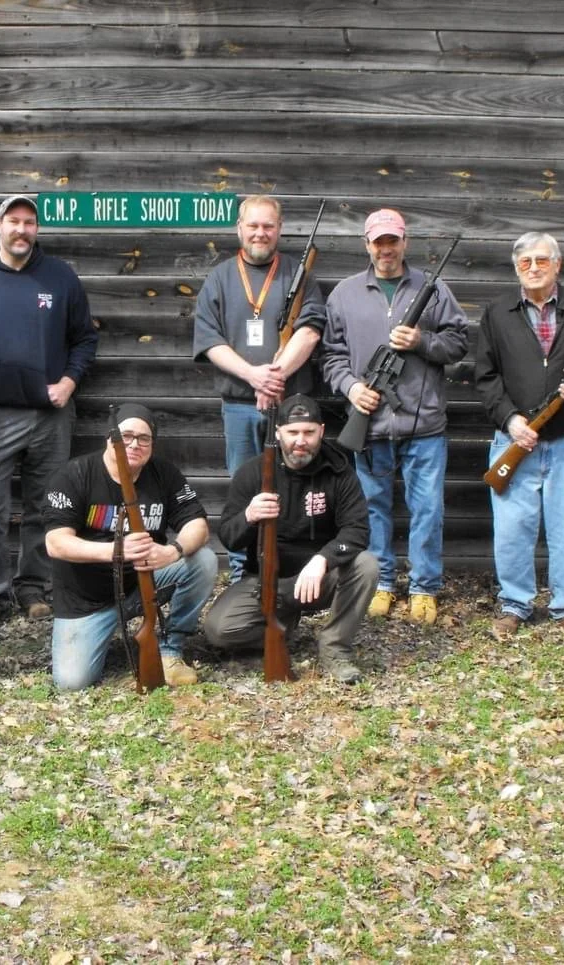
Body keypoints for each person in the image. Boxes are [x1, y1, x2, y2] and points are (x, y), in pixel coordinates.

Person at [0, 194, 98, 626]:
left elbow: (85, 340)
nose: (22, 229)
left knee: (47, 506)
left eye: (29, 222)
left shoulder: (60, 278)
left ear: (36, 229)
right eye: (14, 221)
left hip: (51, 414)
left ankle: (35, 589)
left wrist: (68, 382)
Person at [320, 208, 468, 624]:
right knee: (372, 508)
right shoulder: (344, 295)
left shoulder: (434, 290)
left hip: (425, 426)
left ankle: (424, 587)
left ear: (405, 242)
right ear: (367, 245)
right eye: (378, 242)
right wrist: (352, 388)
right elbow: (330, 357)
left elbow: (458, 344)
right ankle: (381, 583)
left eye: (393, 240)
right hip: (369, 425)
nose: (386, 249)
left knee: (428, 509)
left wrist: (422, 341)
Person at [474, 231, 564, 640]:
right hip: (514, 440)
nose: (534, 268)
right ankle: (515, 605)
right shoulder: (497, 312)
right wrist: (510, 420)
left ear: (558, 264)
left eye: (542, 260)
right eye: (526, 262)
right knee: (512, 529)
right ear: (516, 268)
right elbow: (485, 378)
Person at [192, 194, 327, 580]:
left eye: (268, 225)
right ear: (239, 228)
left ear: (279, 229)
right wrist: (255, 377)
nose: (260, 233)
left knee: (295, 486)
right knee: (243, 487)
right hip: (239, 406)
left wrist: (275, 376)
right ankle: (242, 573)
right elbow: (209, 340)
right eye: (253, 225)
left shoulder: (299, 276)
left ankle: (289, 571)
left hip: (291, 410)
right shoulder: (219, 277)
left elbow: (310, 331)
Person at [203, 395, 379, 684]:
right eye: (293, 432)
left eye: (309, 432)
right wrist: (249, 515)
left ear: (321, 431)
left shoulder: (339, 470)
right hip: (264, 580)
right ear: (278, 433)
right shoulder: (253, 472)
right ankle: (281, 627)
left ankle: (334, 648)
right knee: (219, 630)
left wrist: (323, 560)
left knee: (366, 565)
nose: (301, 440)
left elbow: (357, 530)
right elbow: (228, 538)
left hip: (319, 577)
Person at [43, 404, 218, 691]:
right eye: (126, 436)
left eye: (144, 438)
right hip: (87, 601)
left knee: (203, 561)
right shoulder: (74, 475)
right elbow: (56, 543)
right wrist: (116, 551)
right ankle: (107, 633)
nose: (134, 444)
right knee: (72, 682)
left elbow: (197, 524)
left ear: (152, 444)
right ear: (109, 440)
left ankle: (169, 650)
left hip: (142, 585)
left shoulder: (164, 473)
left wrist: (171, 551)